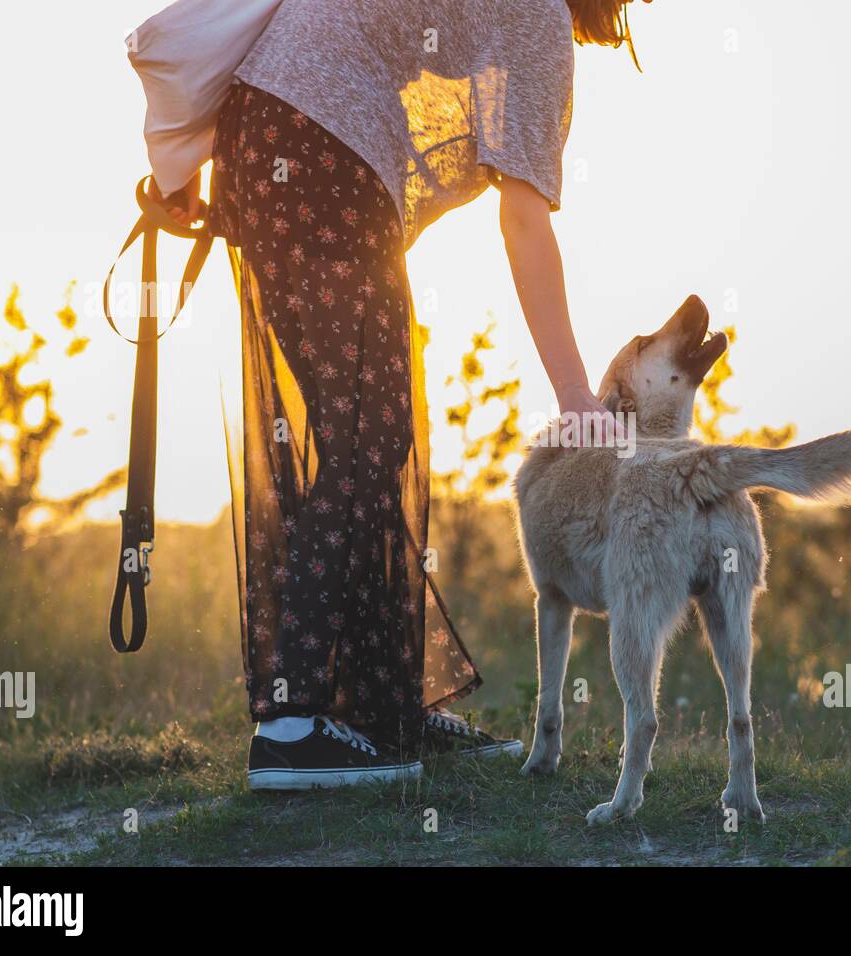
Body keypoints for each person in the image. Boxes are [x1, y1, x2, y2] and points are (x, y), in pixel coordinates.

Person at [150, 0, 648, 790]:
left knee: (367, 431)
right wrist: (575, 392)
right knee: (366, 433)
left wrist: (204, 162)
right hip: (318, 156)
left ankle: (376, 707)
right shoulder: (540, 17)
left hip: (270, 140)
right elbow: (524, 221)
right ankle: (292, 728)